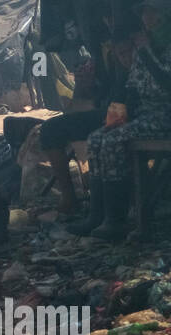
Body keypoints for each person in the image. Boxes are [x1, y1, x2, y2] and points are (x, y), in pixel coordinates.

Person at [69, 0, 171, 240]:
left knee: (114, 142)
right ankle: (98, 215)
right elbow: (133, 85)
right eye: (145, 12)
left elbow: (170, 85)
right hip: (151, 116)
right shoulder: (148, 42)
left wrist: (146, 53)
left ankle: (117, 221)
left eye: (151, 11)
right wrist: (118, 116)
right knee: (97, 139)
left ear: (164, 16)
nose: (145, 17)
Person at [39, 15, 140, 215]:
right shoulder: (100, 52)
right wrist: (88, 90)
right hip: (110, 109)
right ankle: (72, 199)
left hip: (127, 113)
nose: (125, 56)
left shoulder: (142, 57)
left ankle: (109, 209)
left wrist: (98, 106)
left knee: (101, 138)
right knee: (50, 129)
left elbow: (126, 101)